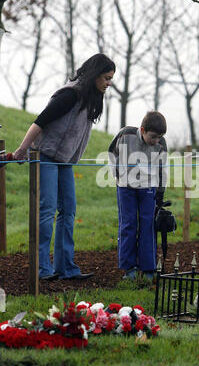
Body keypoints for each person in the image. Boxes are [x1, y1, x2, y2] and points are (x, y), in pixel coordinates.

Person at [13, 53, 116, 280]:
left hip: (65, 161)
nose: (109, 83)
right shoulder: (70, 94)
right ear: (95, 75)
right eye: (106, 78)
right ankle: (42, 268)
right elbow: (40, 121)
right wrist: (22, 149)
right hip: (47, 156)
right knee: (47, 210)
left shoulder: (91, 98)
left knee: (68, 211)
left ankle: (66, 267)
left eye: (111, 79)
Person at [108, 111, 168, 281]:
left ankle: (148, 269)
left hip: (149, 188)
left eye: (160, 137)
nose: (157, 140)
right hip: (125, 187)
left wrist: (160, 192)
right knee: (128, 224)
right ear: (142, 130)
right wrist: (117, 174)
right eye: (154, 136)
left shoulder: (161, 144)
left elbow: (163, 168)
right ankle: (129, 268)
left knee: (148, 226)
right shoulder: (125, 134)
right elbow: (112, 152)